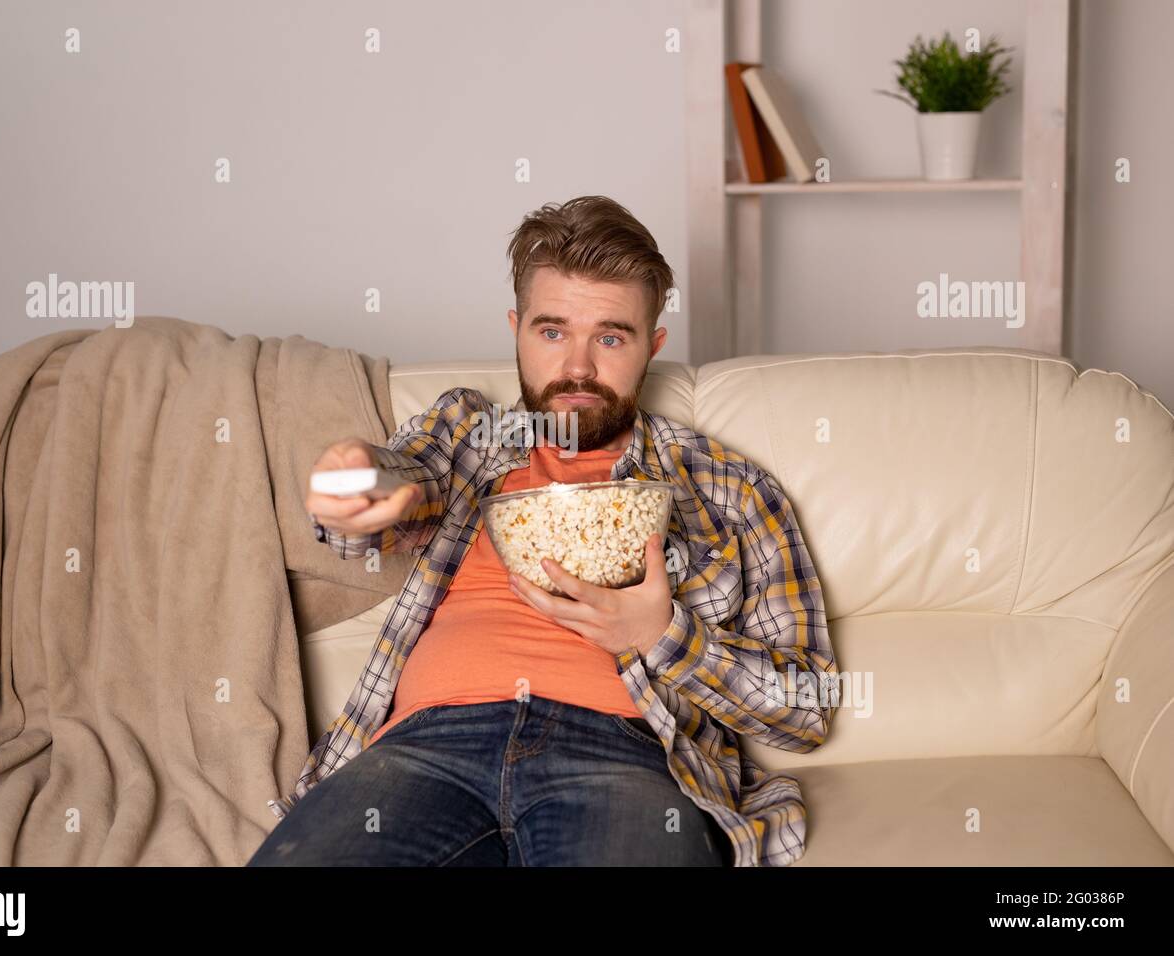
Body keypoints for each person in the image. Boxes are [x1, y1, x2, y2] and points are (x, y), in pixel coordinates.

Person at [247, 195, 838, 867]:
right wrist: (358, 482)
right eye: (552, 332)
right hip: (423, 748)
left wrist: (659, 634)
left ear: (654, 344)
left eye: (611, 336)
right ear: (517, 328)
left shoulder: (727, 486)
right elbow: (400, 491)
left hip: (623, 755)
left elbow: (804, 708)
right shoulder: (470, 434)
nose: (579, 368)